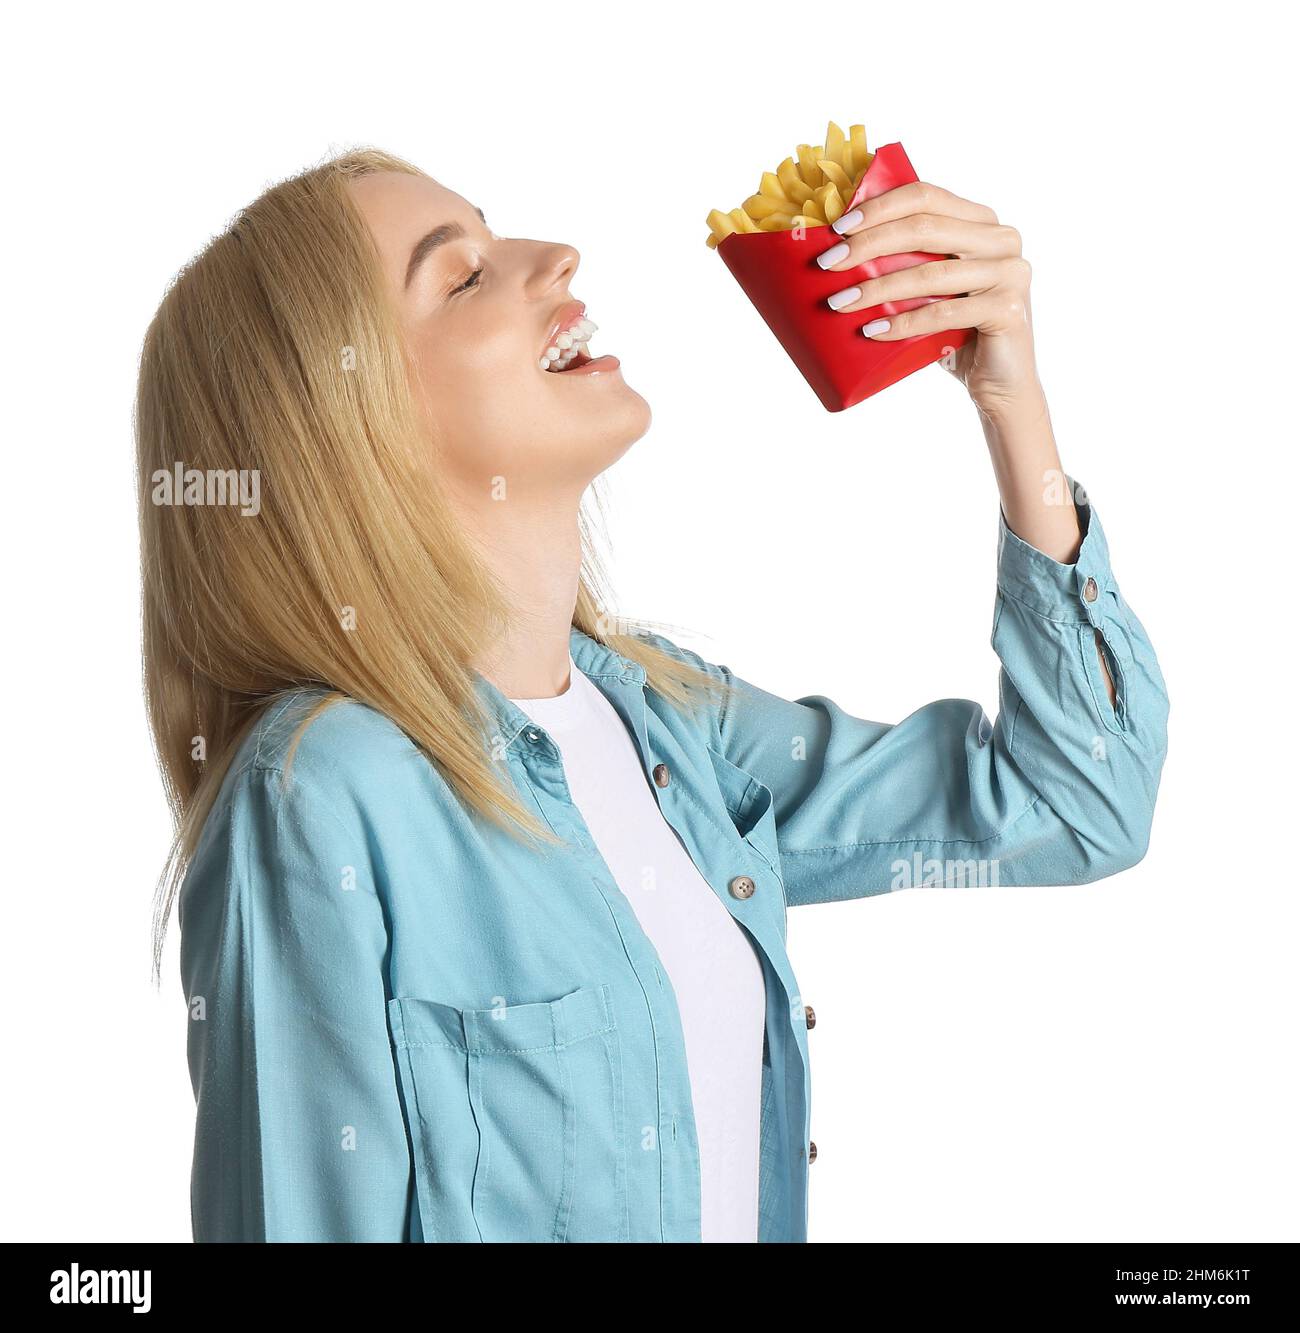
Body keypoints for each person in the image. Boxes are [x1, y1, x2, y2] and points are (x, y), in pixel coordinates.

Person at [135, 147, 1168, 1243]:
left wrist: (1010, 399)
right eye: (464, 276)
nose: (554, 257)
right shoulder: (321, 796)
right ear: (339, 420)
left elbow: (1076, 806)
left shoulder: (674, 728)